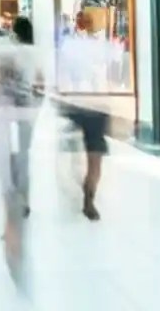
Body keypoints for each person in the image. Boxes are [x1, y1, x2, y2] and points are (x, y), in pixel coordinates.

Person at [0, 16, 44, 225]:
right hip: (28, 107)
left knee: (5, 152)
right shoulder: (37, 53)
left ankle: (10, 193)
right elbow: (41, 83)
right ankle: (25, 200)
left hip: (6, 106)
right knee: (24, 154)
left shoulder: (7, 50)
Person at [57, 12, 112, 221]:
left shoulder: (71, 46)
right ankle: (88, 197)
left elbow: (63, 74)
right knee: (94, 157)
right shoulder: (96, 46)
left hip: (84, 104)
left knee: (87, 156)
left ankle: (87, 195)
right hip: (92, 104)